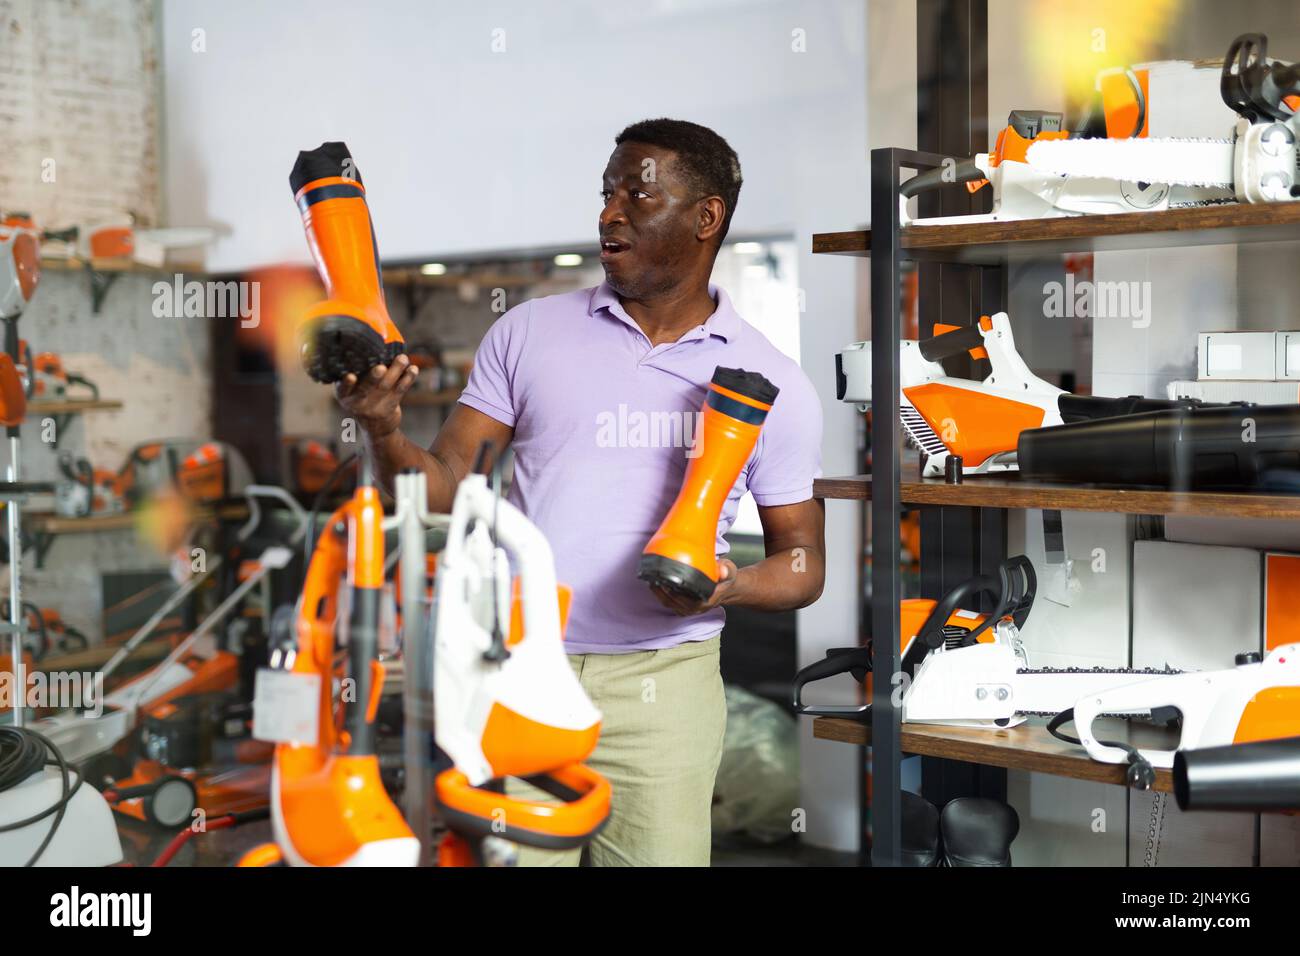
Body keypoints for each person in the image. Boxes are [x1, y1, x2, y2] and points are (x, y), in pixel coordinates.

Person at [335, 117, 825, 866]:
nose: (609, 212)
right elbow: (446, 489)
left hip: (667, 685)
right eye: (605, 192)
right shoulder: (527, 334)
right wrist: (381, 432)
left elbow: (802, 565)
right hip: (523, 671)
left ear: (706, 217)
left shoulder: (774, 383)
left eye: (638, 193)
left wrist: (726, 588)